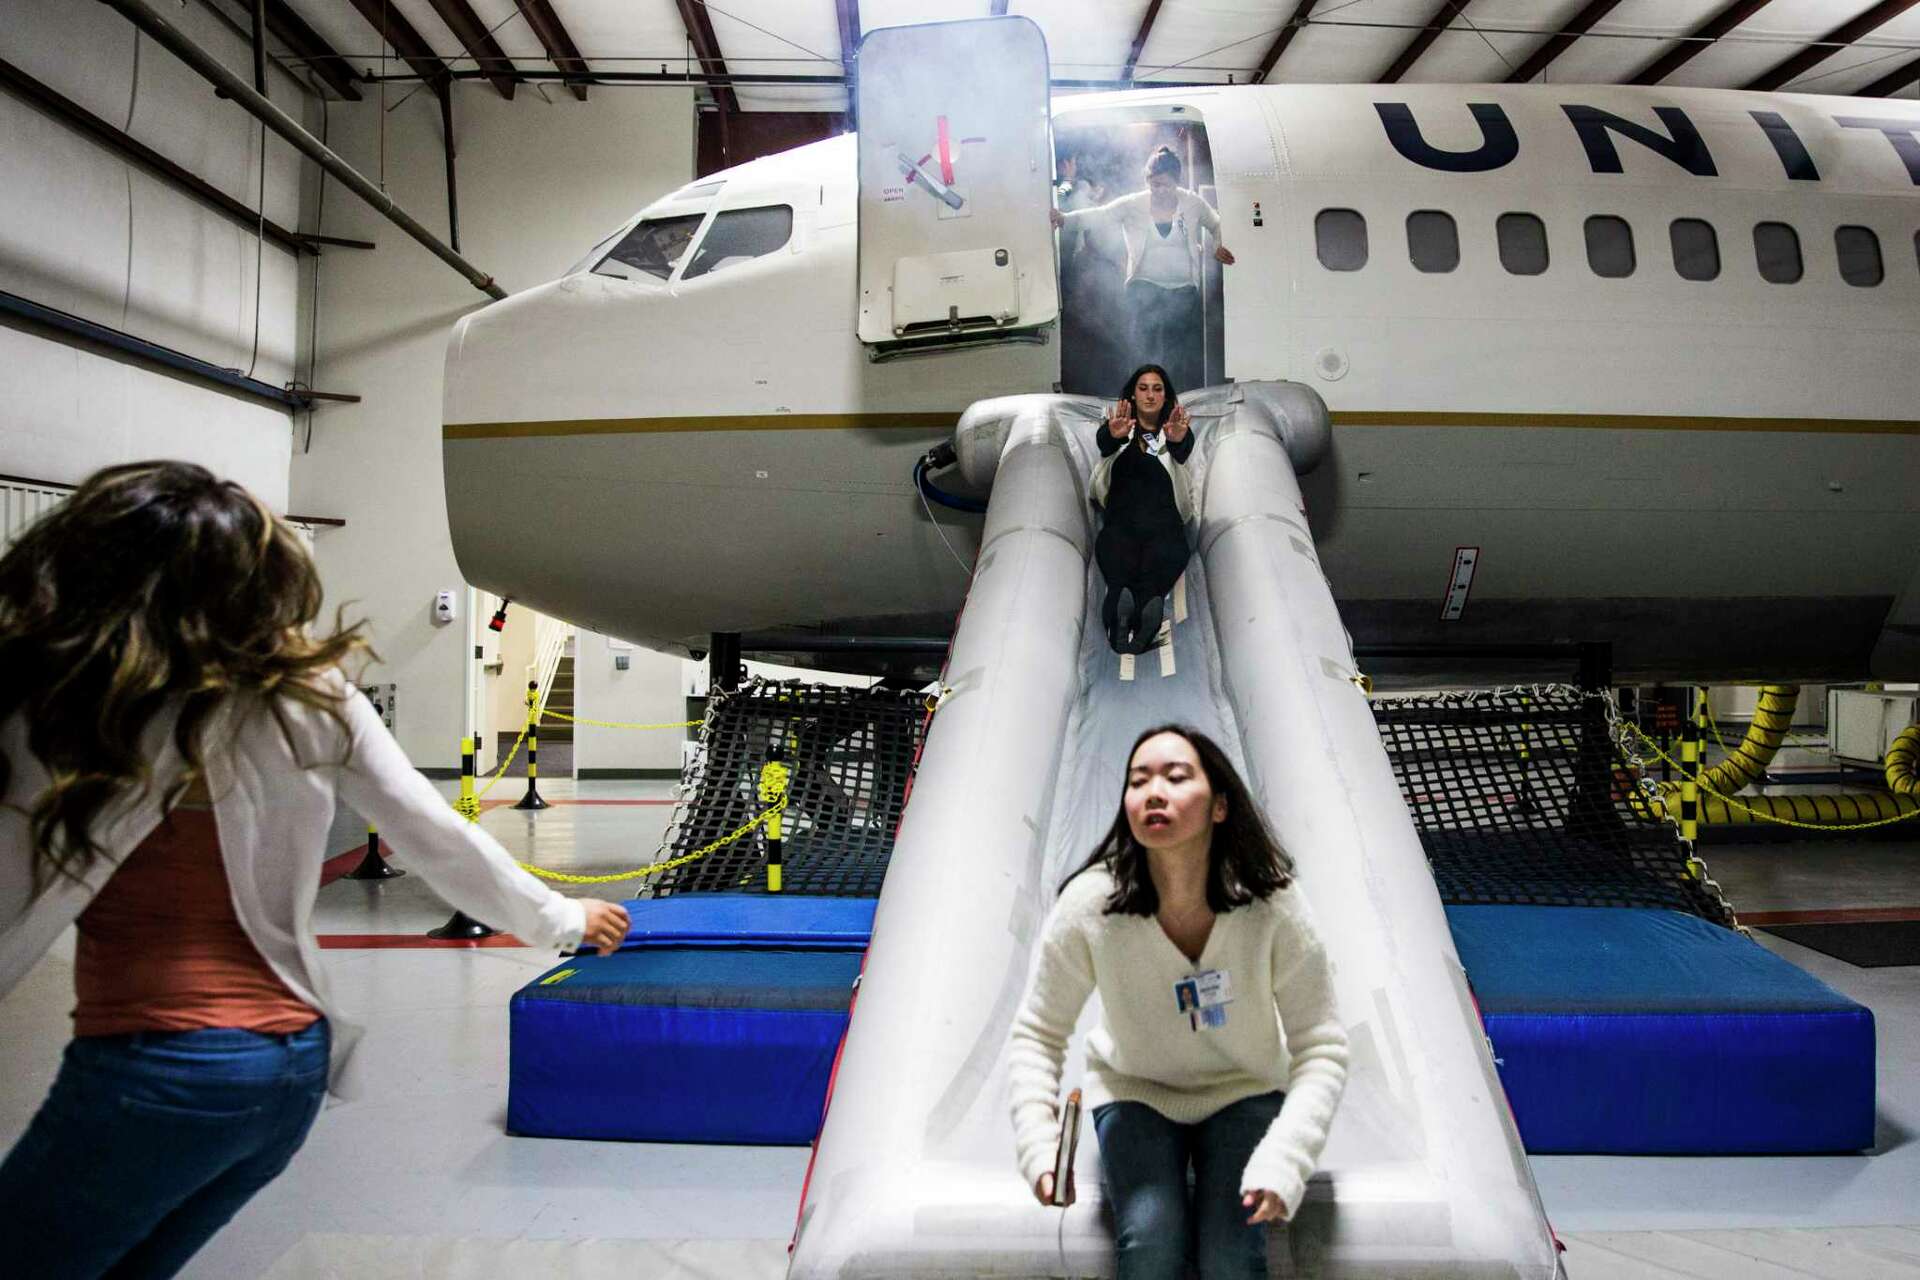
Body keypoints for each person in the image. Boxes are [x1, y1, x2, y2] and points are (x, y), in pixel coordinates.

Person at [0, 461, 631, 1279]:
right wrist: (564, 919)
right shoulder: (312, 695)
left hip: (159, 1071)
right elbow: (437, 834)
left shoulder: (66, 707)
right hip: (288, 1072)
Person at [1007, 726, 1348, 1279]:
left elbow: (1323, 1047)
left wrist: (1288, 1155)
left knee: (1232, 1258)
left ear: (1219, 806)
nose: (1154, 792)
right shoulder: (1093, 905)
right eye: (1138, 781)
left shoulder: (1272, 905)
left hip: (1244, 1089)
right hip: (1134, 1090)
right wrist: (1041, 1146)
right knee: (1151, 1245)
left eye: (1175, 776)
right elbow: (1037, 1034)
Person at [1051, 144, 1235, 392]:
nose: (1158, 190)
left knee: (1181, 360)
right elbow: (1100, 215)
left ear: (1176, 182)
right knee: (1144, 358)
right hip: (1143, 290)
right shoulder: (1134, 204)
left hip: (1184, 292)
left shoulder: (1192, 203)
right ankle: (1141, 414)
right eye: (1153, 184)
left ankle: (1180, 411)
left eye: (1164, 185)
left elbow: (1217, 223)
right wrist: (1064, 219)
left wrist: (1218, 246)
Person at [1091, 364, 1195, 655]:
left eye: (1157, 389)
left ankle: (1137, 608)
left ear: (1166, 396)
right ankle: (1133, 606)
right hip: (1123, 519)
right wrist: (1114, 435)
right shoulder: (1120, 427)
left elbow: (1184, 449)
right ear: (1133, 395)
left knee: (1157, 558)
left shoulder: (1175, 429)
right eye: (1143, 388)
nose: (1150, 395)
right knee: (1121, 559)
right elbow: (1104, 442)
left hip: (1163, 522)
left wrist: (1176, 439)